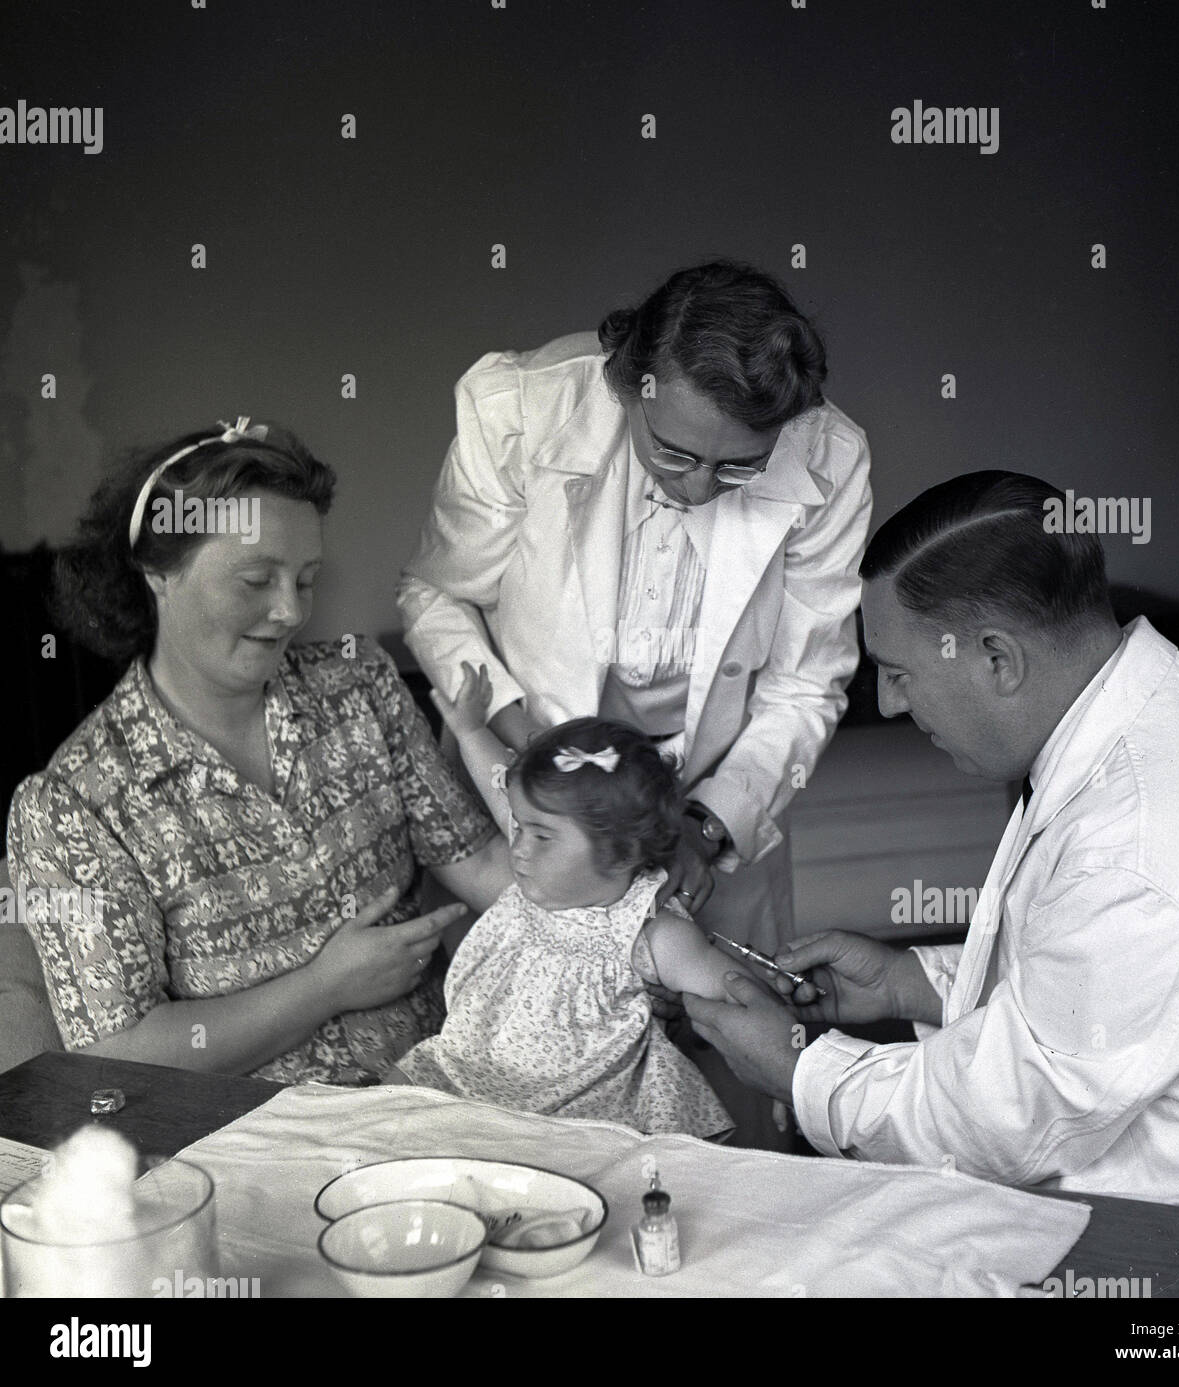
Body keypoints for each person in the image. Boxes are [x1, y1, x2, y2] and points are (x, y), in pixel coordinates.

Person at [684, 471, 1179, 1217]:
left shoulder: (1141, 840)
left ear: (998, 658)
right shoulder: (1151, 714)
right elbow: (1085, 991)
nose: (887, 703)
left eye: (900, 673)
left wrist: (797, 1070)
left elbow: (1002, 1121)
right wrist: (912, 982)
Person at [7, 419, 513, 1085]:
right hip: (250, 1144)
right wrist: (324, 987)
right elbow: (121, 1055)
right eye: (256, 579)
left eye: (305, 579)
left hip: (442, 1088)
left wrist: (629, 917)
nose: (289, 611)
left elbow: (474, 858)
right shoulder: (77, 805)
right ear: (157, 570)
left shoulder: (360, 688)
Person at [398, 260, 872, 959]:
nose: (702, 487)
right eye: (674, 452)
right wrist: (526, 736)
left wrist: (705, 826)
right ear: (629, 386)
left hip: (709, 788)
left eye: (739, 465)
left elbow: (805, 682)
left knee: (704, 1016)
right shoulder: (521, 408)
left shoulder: (829, 457)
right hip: (522, 770)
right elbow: (435, 593)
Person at [387, 686, 742, 1139]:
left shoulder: (650, 933)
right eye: (520, 825)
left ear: (622, 852)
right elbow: (498, 780)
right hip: (470, 1072)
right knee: (388, 1107)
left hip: (588, 1107)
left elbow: (738, 996)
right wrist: (470, 729)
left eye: (541, 836)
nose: (517, 847)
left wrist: (783, 1077)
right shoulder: (535, 865)